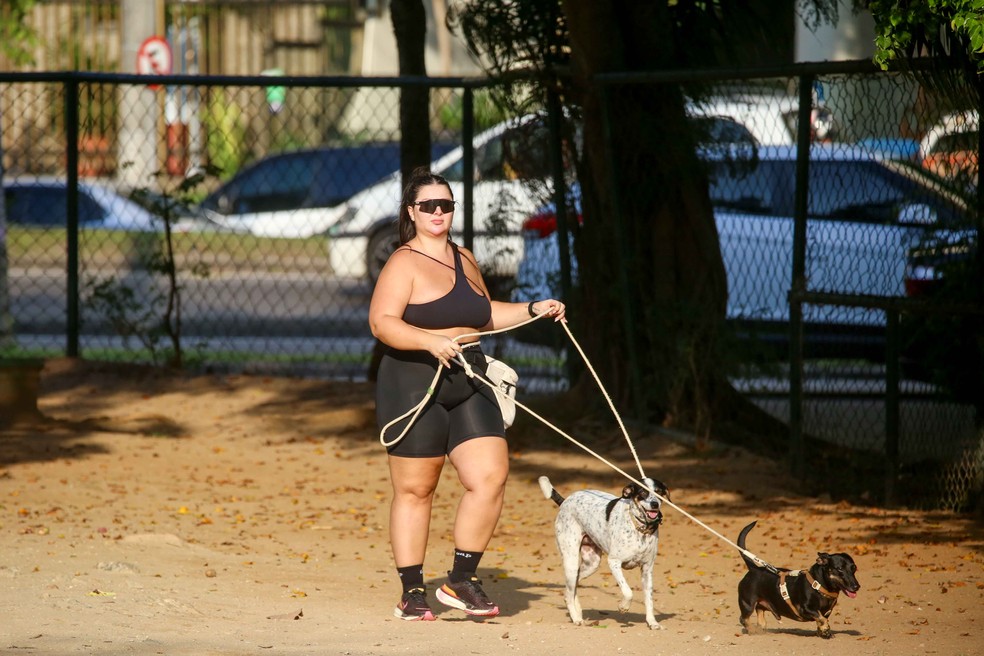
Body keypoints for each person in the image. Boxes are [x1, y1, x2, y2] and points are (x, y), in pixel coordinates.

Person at [369, 167, 566, 621]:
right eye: (428, 205)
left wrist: (534, 308)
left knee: (490, 476)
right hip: (415, 380)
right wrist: (428, 341)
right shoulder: (403, 262)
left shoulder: (465, 258)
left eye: (446, 204)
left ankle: (460, 580)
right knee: (417, 488)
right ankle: (411, 591)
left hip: (470, 374)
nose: (438, 212)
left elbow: (484, 315)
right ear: (411, 212)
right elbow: (382, 322)